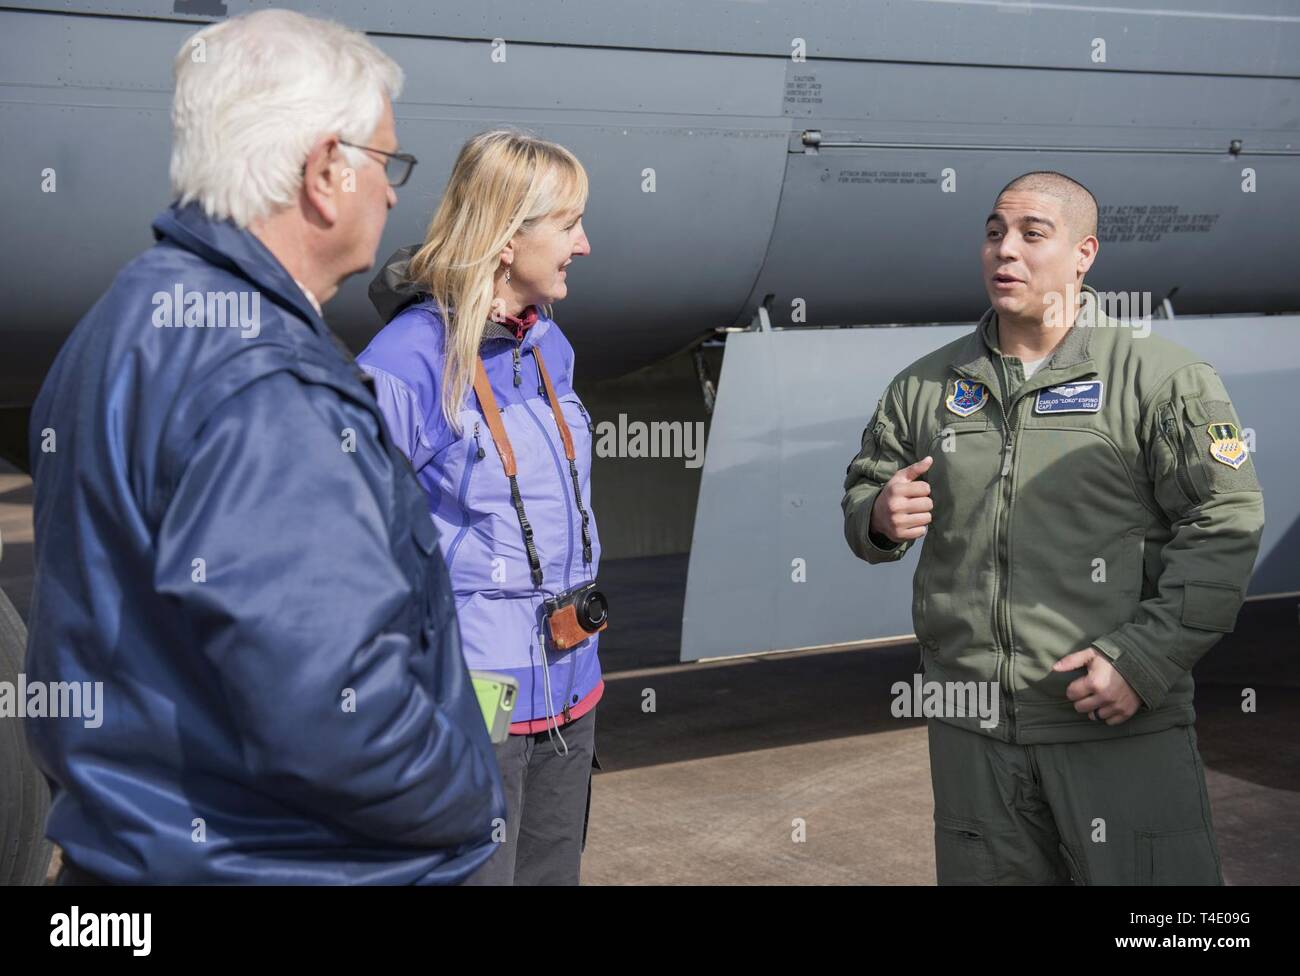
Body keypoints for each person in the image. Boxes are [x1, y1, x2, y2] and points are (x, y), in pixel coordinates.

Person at [24, 9, 504, 884]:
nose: (396, 192)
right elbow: (332, 705)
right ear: (325, 172)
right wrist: (473, 795)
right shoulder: (264, 385)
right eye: (386, 162)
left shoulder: (123, 322)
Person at [842, 171, 1264, 885]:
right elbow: (866, 488)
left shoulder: (1160, 380)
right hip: (972, 736)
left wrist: (1145, 659)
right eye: (994, 232)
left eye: (1033, 234)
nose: (1006, 250)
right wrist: (877, 517)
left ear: (1083, 254)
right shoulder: (924, 388)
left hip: (1113, 723)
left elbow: (1223, 522)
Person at [359, 130, 600, 885]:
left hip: (571, 684)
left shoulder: (546, 344)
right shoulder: (404, 363)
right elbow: (345, 543)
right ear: (506, 237)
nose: (584, 245)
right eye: (568, 224)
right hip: (472, 704)